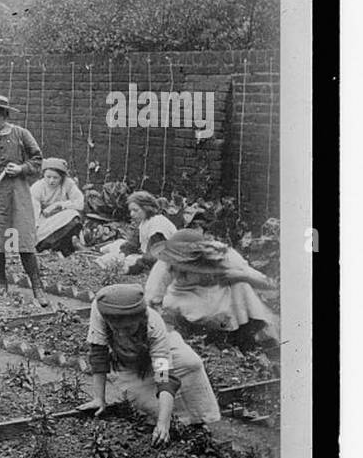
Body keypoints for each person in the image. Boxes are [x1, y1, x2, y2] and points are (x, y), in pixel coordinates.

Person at [81, 284, 221, 443]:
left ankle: (197, 420)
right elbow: (99, 354)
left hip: (162, 351)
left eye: (128, 328)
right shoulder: (101, 310)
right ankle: (172, 422)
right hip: (127, 360)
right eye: (116, 328)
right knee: (150, 407)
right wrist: (99, 399)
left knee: (191, 363)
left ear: (140, 319)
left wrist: (163, 423)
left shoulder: (153, 325)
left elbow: (164, 377)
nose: (121, 332)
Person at [0, 94, 49, 307]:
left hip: (17, 191)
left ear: (4, 116)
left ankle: (37, 287)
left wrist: (22, 168)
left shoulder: (21, 134)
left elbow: (37, 159)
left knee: (23, 238)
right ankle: (1, 282)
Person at [148, 228, 280, 343]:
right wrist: (156, 311)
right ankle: (198, 332)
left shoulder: (222, 255)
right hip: (183, 296)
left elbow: (263, 281)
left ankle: (241, 333)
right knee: (173, 310)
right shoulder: (167, 260)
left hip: (218, 296)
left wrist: (239, 275)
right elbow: (153, 292)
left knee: (241, 285)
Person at [95, 190, 177, 277]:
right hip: (147, 254)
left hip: (162, 261)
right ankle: (99, 252)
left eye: (135, 210)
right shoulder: (145, 221)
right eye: (131, 210)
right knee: (118, 244)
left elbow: (153, 256)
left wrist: (131, 269)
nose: (131, 214)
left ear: (146, 208)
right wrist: (123, 253)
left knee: (127, 260)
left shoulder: (157, 225)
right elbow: (134, 242)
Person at [31, 157, 86, 255]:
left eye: (55, 178)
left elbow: (80, 203)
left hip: (61, 217)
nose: (51, 181)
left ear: (62, 177)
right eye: (48, 177)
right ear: (43, 175)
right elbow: (33, 212)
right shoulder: (37, 188)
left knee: (74, 215)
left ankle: (71, 243)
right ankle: (48, 246)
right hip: (43, 222)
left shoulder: (68, 184)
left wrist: (60, 205)